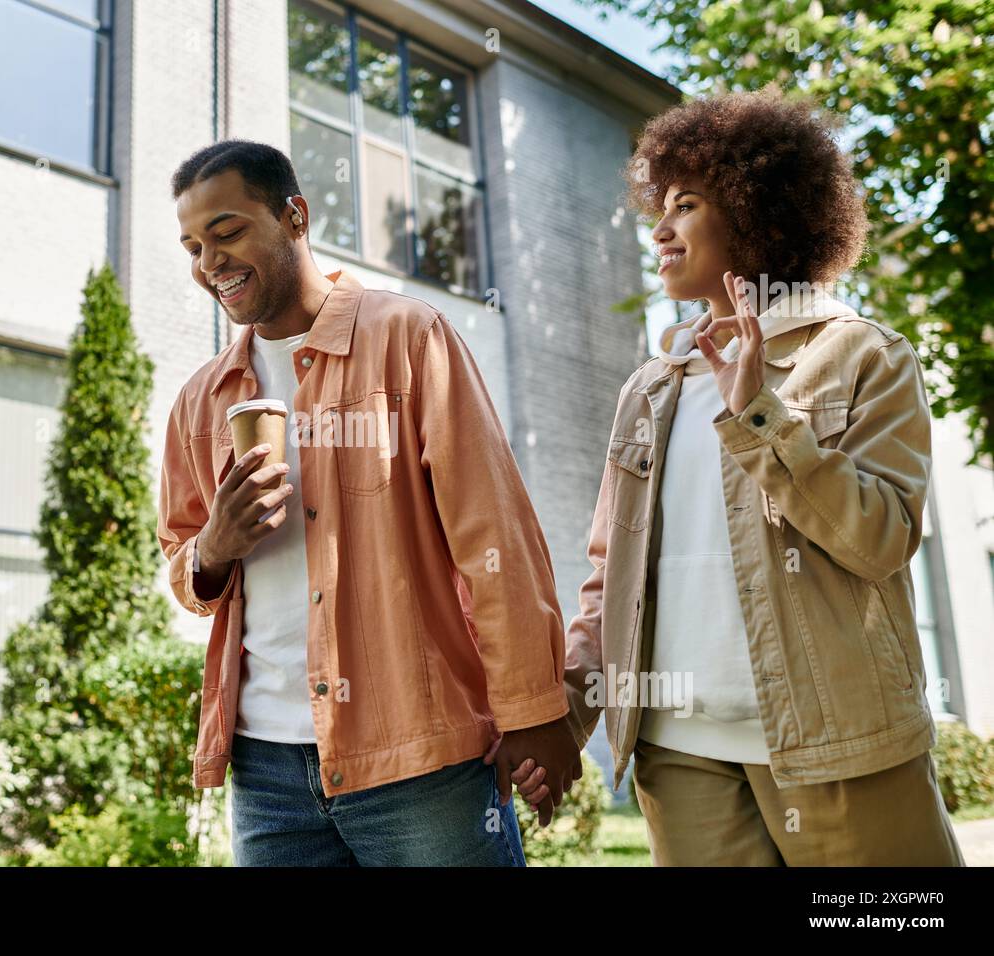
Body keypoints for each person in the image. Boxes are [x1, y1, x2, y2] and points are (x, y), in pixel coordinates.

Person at [516, 90, 964, 866]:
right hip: (678, 755)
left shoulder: (864, 356)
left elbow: (882, 539)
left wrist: (762, 416)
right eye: (659, 205)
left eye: (685, 205)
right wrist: (569, 715)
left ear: (761, 214)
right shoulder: (649, 389)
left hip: (841, 747)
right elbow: (610, 581)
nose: (658, 228)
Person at [156, 139, 578, 866]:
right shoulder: (201, 400)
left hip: (422, 759)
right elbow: (181, 563)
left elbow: (493, 535)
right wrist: (213, 548)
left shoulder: (409, 339)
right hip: (267, 772)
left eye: (226, 233)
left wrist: (536, 710)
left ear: (295, 216)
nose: (209, 263)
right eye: (193, 246)